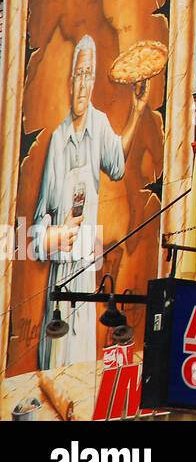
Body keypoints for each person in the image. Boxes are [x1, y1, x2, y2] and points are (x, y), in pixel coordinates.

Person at [32, 36, 146, 370]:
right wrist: (57, 235)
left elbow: (117, 162)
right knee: (54, 357)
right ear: (70, 81)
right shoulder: (58, 139)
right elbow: (38, 224)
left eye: (89, 75)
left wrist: (138, 111)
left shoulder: (99, 125)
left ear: (94, 81)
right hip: (61, 270)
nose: (82, 83)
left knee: (80, 359)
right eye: (78, 74)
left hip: (86, 266)